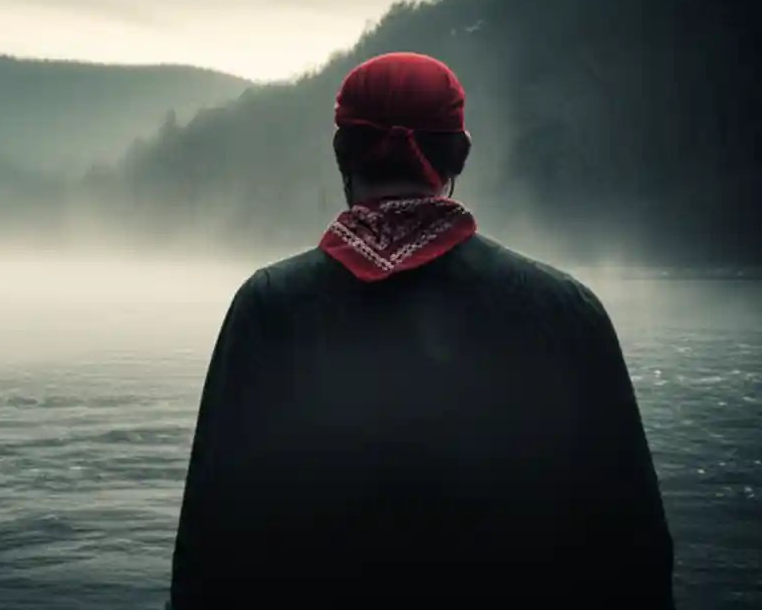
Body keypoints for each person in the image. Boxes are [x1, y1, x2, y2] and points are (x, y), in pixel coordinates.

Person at [167, 52, 674, 608]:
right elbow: (634, 551)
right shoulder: (568, 312)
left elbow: (212, 548)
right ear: (459, 156)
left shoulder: (270, 308)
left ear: (343, 156)